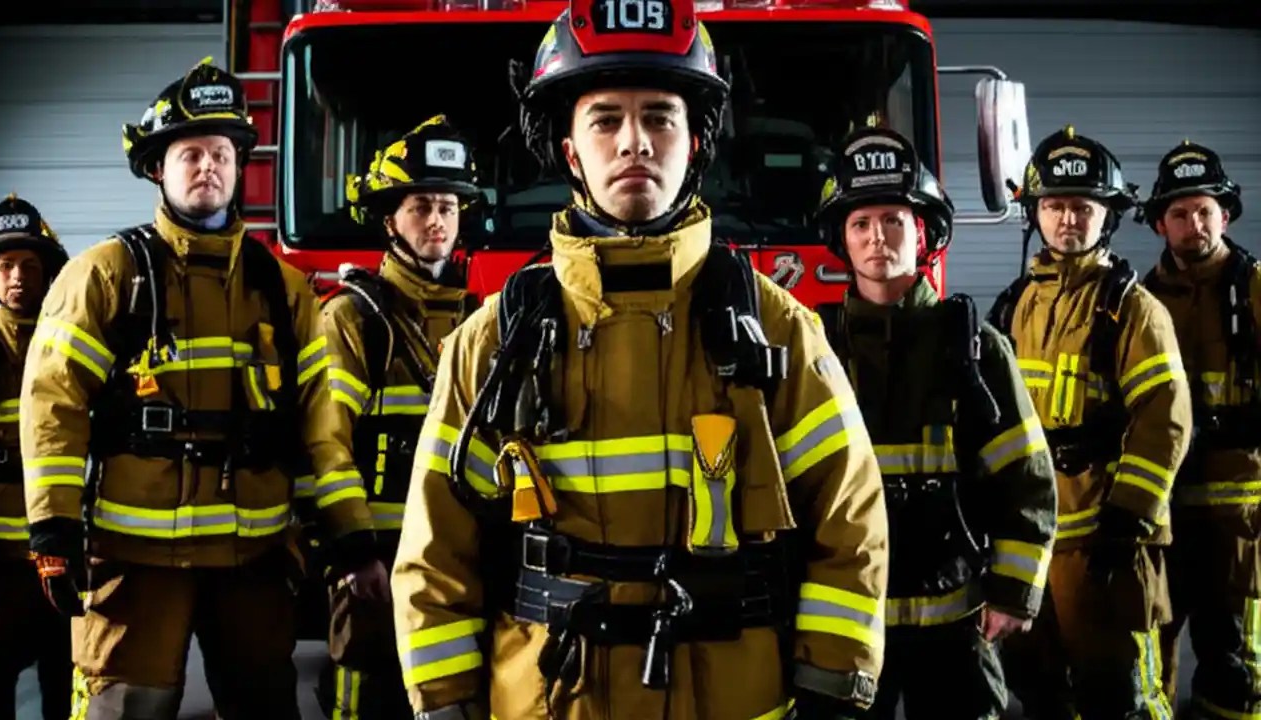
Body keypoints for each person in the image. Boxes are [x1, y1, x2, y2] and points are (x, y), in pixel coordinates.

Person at [390, 0, 890, 718]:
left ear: (694, 144)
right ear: (569, 149)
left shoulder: (778, 329)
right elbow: (436, 548)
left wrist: (830, 690)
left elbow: (851, 522)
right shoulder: (493, 341)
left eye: (660, 116)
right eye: (605, 120)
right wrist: (443, 702)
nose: (635, 142)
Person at [19, 57, 386, 719]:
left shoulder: (283, 288)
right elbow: (54, 404)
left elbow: (321, 430)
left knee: (266, 706)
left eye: (222, 152)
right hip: (136, 560)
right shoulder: (106, 275)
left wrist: (351, 537)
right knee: (128, 708)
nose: (209, 166)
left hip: (253, 560)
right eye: (191, 153)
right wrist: (52, 526)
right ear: (157, 167)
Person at [813, 127, 1057, 719]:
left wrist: (1014, 593)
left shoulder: (975, 346)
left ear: (921, 232)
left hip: (955, 617)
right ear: (842, 241)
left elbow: (1025, 475)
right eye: (862, 223)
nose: (878, 238)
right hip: (845, 615)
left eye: (894, 220)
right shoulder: (815, 346)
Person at [987, 125, 1193, 719]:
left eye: (1083, 207)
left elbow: (1165, 421)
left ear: (1108, 214)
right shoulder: (1015, 303)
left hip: (1106, 544)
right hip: (1036, 546)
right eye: (1054, 206)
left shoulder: (1133, 308)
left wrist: (1128, 521)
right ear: (1035, 212)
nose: (1068, 220)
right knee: (1043, 692)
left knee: (1121, 696)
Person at [313, 114, 483, 719]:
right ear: (390, 219)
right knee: (368, 692)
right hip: (378, 556)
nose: (436, 219)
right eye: (420, 206)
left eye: (448, 205)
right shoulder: (355, 321)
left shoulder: (483, 319)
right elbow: (326, 444)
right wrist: (356, 551)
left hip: (467, 551)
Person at [1138, 140, 1261, 720]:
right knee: (1154, 645)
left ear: (1226, 214)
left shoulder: (1254, 289)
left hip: (1240, 514)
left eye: (1205, 211)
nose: (1195, 224)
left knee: (1237, 666)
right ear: (1161, 223)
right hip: (1164, 510)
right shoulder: (1137, 301)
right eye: (1181, 214)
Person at [0, 194, 71, 719]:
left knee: (67, 675)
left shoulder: (71, 346)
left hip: (67, 555)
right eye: (6, 265)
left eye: (31, 266)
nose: (18, 277)